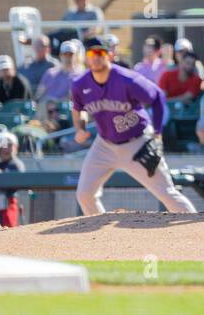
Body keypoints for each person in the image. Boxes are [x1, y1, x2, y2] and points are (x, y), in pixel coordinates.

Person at [70, 36, 195, 217]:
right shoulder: (80, 85)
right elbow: (78, 109)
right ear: (86, 57)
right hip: (104, 145)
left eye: (100, 52)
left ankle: (198, 230)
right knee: (84, 194)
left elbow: (158, 97)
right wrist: (79, 128)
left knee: (167, 193)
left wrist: (158, 133)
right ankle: (101, 235)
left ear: (110, 55)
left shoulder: (127, 80)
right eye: (91, 53)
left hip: (137, 142)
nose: (95, 57)